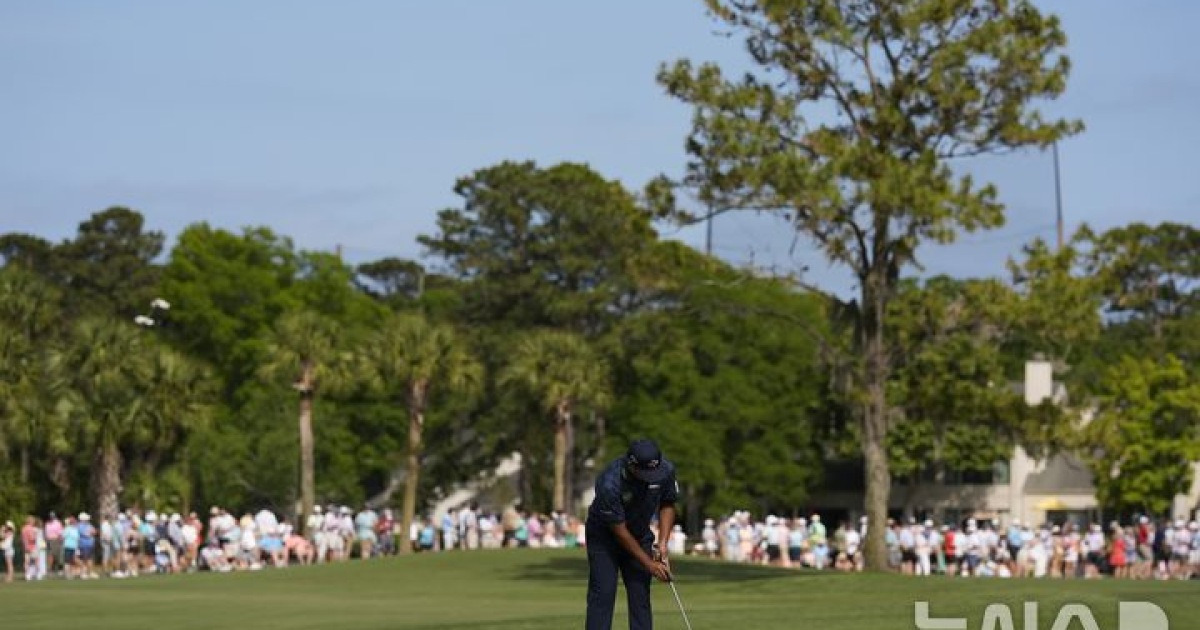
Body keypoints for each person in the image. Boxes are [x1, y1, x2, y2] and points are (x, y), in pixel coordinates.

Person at [585, 438, 677, 630]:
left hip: (640, 533)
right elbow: (619, 530)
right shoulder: (609, 482)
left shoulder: (665, 470)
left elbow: (667, 503)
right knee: (603, 593)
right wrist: (649, 564)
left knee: (640, 593)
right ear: (631, 465)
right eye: (646, 473)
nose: (652, 477)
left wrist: (663, 543)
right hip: (604, 538)